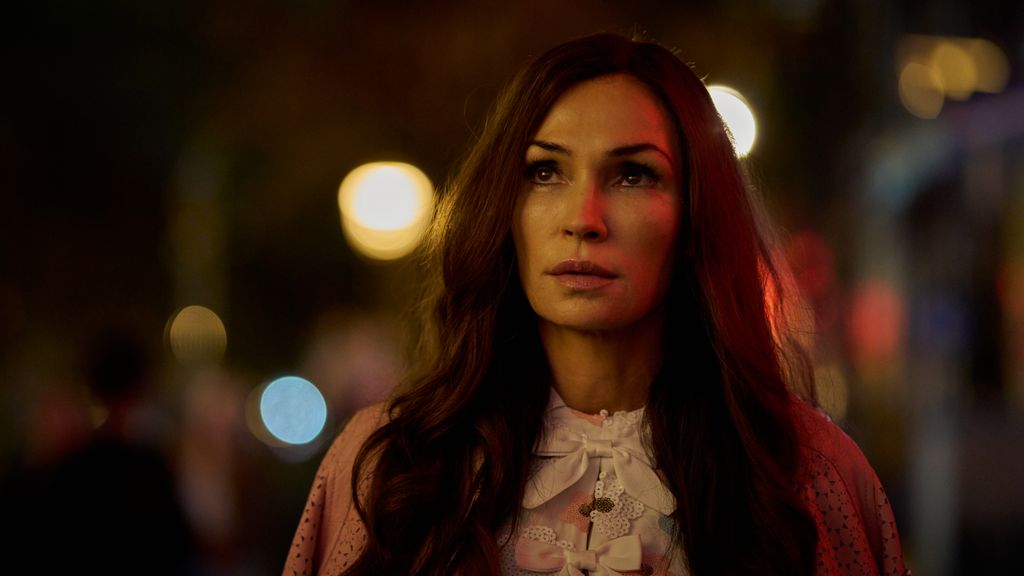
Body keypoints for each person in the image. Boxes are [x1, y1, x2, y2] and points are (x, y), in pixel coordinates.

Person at [284, 33, 908, 576]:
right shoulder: (392, 466)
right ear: (505, 207)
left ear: (694, 218)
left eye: (633, 175)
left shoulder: (802, 471)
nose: (583, 220)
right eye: (545, 173)